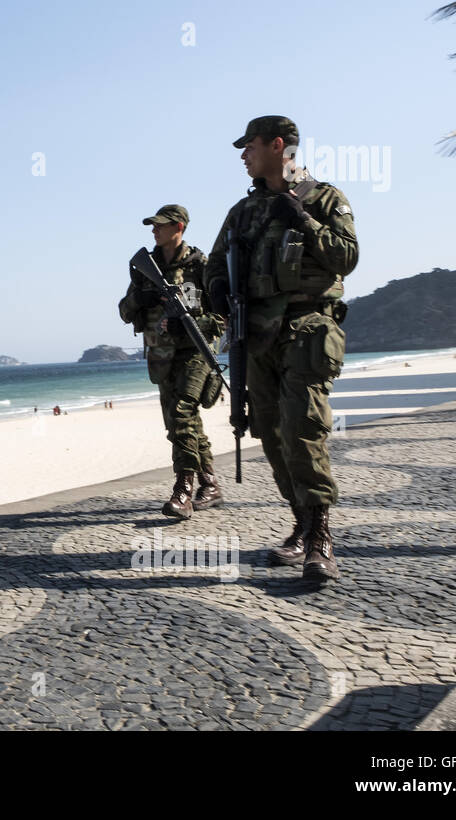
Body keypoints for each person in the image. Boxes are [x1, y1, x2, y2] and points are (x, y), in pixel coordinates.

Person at [206, 116, 358, 582]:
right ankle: (299, 520)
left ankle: (319, 536)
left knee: (302, 429)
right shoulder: (242, 212)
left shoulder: (323, 197)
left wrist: (306, 222)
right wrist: (216, 291)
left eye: (248, 146)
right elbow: (214, 266)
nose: (243, 155)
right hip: (256, 337)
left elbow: (346, 257)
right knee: (271, 434)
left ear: (277, 145)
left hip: (307, 327)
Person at [118, 204, 224, 518]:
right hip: (161, 357)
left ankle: (184, 489)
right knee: (181, 425)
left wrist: (194, 324)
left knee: (182, 414)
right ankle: (210, 482)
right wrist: (141, 298)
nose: (154, 230)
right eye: (153, 226)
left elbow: (221, 315)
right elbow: (124, 310)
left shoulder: (200, 265)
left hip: (194, 352)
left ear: (178, 227)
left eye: (160, 225)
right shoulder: (145, 266)